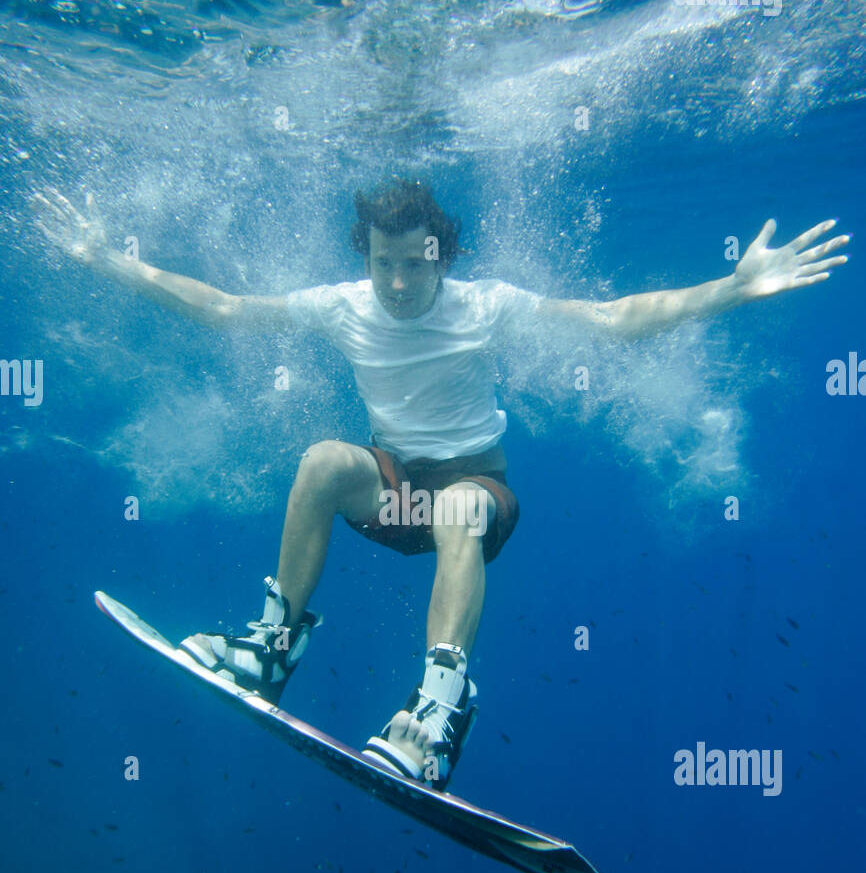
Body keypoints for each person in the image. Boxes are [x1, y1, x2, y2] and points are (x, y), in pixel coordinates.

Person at [35, 179, 848, 788]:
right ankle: (271, 648)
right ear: (366, 255)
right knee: (322, 459)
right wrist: (105, 258)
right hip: (395, 494)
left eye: (414, 263)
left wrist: (734, 289)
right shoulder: (343, 305)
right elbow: (220, 309)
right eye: (382, 263)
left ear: (442, 254)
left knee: (458, 505)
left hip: (475, 494)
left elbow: (614, 318)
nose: (397, 283)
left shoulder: (487, 306)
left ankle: (438, 710)